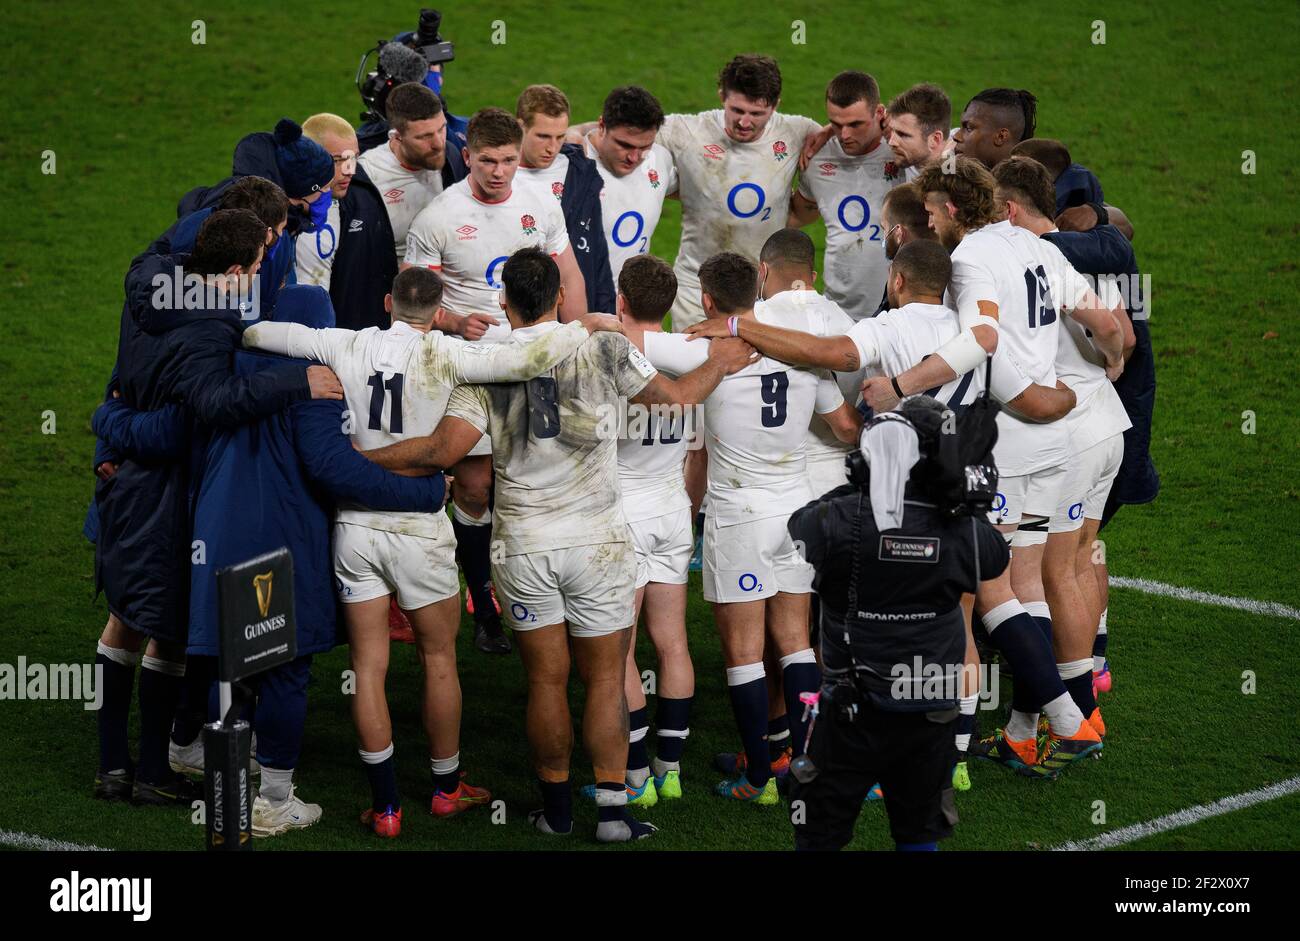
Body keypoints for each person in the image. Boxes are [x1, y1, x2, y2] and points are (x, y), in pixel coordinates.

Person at [360, 247, 755, 842]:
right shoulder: (602, 346)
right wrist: (720, 362)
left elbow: (440, 453)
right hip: (598, 543)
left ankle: (557, 812)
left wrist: (359, 459)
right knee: (604, 680)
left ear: (503, 301)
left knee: (547, 682)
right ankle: (615, 817)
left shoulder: (484, 365)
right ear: (560, 299)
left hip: (523, 546)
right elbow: (678, 401)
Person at [242, 267, 618, 837]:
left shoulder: (344, 342)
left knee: (367, 667)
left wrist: (238, 332)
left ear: (388, 301)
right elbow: (525, 360)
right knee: (438, 659)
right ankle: (445, 789)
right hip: (421, 525)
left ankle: (387, 807)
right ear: (439, 310)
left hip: (356, 527)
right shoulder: (451, 355)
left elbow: (266, 335)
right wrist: (580, 325)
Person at [97, 285, 447, 835]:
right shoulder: (313, 383)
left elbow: (166, 431)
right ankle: (274, 800)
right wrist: (428, 494)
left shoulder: (221, 373)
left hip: (213, 536)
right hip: (278, 540)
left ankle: (210, 777)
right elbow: (336, 470)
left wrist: (107, 422)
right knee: (284, 670)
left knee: (226, 663)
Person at [865, 157, 1124, 776]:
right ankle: (1032, 727)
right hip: (1054, 443)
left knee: (981, 594)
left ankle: (1045, 722)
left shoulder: (972, 259)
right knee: (1023, 584)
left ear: (952, 210)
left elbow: (981, 338)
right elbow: (1104, 323)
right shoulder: (1037, 247)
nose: (926, 220)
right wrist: (1108, 367)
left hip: (1010, 441)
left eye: (930, 211)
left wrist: (900, 384)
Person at [92, 210, 343, 805]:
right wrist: (297, 383)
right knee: (166, 628)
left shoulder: (151, 290)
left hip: (127, 490)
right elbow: (204, 411)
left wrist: (109, 423)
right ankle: (148, 769)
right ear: (234, 270)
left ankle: (121, 765)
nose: (261, 279)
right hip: (165, 494)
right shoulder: (208, 328)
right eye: (258, 265)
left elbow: (118, 385)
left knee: (128, 621)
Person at [643, 252, 861, 804]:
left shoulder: (699, 349)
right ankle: (802, 764)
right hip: (797, 513)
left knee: (743, 651)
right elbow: (844, 427)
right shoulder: (806, 358)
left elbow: (627, 335)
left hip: (740, 515)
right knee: (794, 641)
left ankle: (759, 777)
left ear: (709, 302)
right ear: (757, 296)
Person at [787, 396, 1009, 850]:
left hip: (850, 710)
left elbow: (800, 528)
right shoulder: (962, 529)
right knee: (918, 829)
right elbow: (994, 556)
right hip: (929, 704)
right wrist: (957, 498)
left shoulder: (838, 518)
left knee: (821, 831)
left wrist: (864, 486)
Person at [405, 106, 589, 653]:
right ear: (469, 157)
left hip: (534, 361)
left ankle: (544, 596)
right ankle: (484, 601)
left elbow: (569, 273)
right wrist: (455, 322)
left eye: (509, 160)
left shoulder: (538, 202)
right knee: (477, 486)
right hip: (472, 372)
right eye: (488, 160)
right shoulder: (438, 218)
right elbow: (416, 308)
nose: (500, 171)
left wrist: (575, 343)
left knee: (534, 481)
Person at [620, 54, 825, 329]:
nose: (744, 122)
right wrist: (578, 135)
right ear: (721, 97)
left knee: (758, 370)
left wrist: (841, 130)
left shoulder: (798, 132)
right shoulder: (687, 131)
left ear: (776, 105)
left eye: (756, 114)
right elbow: (621, 132)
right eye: (737, 110)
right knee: (696, 367)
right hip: (698, 288)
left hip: (765, 288)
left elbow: (850, 141)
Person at [605, 255, 697, 805]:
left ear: (621, 300)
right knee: (674, 643)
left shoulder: (612, 355)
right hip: (673, 506)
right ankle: (671, 768)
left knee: (622, 651)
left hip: (627, 512)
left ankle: (635, 776)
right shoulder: (689, 360)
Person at [177, 119, 336, 317]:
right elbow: (252, 310)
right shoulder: (264, 231)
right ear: (299, 193)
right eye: (325, 187)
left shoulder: (263, 212)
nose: (329, 194)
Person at [788, 71, 903, 321]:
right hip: (837, 310)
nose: (845, 135)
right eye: (836, 124)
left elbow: (947, 147)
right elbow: (798, 214)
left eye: (855, 124)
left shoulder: (904, 154)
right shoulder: (818, 158)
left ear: (879, 113)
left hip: (899, 310)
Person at [514, 84, 613, 314]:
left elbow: (597, 253)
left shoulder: (580, 175)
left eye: (560, 137)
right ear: (520, 127)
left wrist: (606, 313)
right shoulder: (498, 177)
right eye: (543, 136)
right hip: (518, 310)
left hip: (570, 307)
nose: (552, 147)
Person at [576, 86, 678, 285]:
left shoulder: (658, 159)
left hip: (630, 305)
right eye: (625, 145)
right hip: (574, 306)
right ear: (601, 126)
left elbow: (692, 190)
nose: (634, 157)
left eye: (644, 147)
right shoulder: (571, 165)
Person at [358, 83, 449, 266]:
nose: (439, 143)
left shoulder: (451, 158)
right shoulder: (368, 177)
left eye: (442, 129)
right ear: (396, 136)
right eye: (425, 136)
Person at [884, 83, 952, 180]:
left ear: (935, 139)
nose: (891, 142)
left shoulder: (962, 164)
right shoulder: (906, 157)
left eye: (903, 135)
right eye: (892, 131)